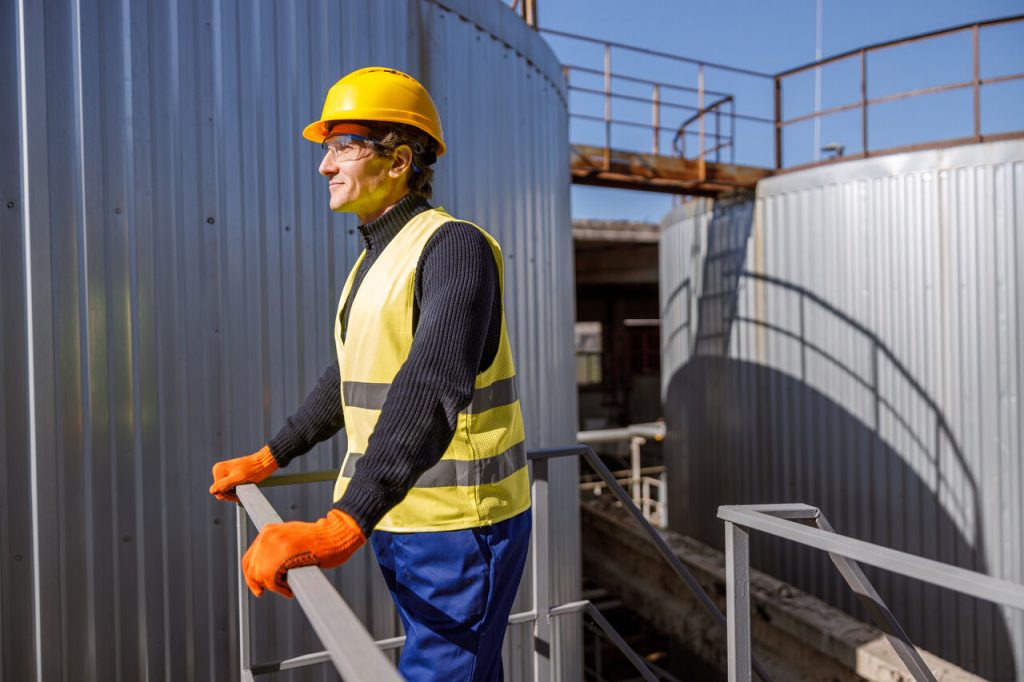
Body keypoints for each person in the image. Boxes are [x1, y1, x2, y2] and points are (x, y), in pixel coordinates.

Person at [209, 67, 531, 681]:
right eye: (326, 150)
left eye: (343, 147)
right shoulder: (375, 259)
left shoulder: (453, 247)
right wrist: (271, 456)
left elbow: (431, 384)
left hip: (461, 526)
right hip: (401, 514)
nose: (325, 166)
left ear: (399, 160)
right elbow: (349, 376)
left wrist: (345, 521)